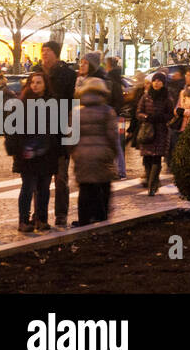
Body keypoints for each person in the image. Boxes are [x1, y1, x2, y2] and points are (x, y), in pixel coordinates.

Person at [7, 71, 60, 232]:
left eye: (39, 82)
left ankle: (41, 219)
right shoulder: (22, 103)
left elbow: (58, 129)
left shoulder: (53, 103)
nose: (35, 85)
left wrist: (60, 149)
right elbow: (12, 129)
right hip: (28, 153)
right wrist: (16, 149)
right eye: (33, 82)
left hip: (47, 153)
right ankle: (23, 220)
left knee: (44, 188)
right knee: (28, 187)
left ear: (45, 85)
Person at [72, 77, 119, 226]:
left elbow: (71, 136)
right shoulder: (107, 111)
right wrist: (115, 152)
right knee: (103, 186)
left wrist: (74, 153)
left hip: (82, 155)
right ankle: (102, 217)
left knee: (85, 188)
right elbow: (112, 135)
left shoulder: (77, 111)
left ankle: (84, 219)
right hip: (102, 155)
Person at [42, 41, 77, 227]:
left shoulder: (67, 75)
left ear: (56, 54)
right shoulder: (38, 74)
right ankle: (40, 215)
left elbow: (71, 104)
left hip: (61, 133)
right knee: (41, 179)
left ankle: (61, 214)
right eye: (43, 51)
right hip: (41, 133)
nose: (44, 54)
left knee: (61, 178)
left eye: (48, 51)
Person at [135, 72, 175, 195]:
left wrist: (161, 117)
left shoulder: (167, 97)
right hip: (147, 131)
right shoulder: (146, 96)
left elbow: (170, 114)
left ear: (163, 83)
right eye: (155, 81)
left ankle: (152, 186)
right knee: (147, 158)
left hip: (161, 131)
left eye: (159, 81)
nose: (156, 83)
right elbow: (139, 112)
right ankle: (152, 180)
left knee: (156, 158)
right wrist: (146, 117)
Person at [104, 55, 128, 181]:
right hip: (116, 113)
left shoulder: (110, 79)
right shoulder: (118, 78)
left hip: (111, 114)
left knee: (114, 143)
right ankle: (119, 170)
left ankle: (119, 170)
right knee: (116, 143)